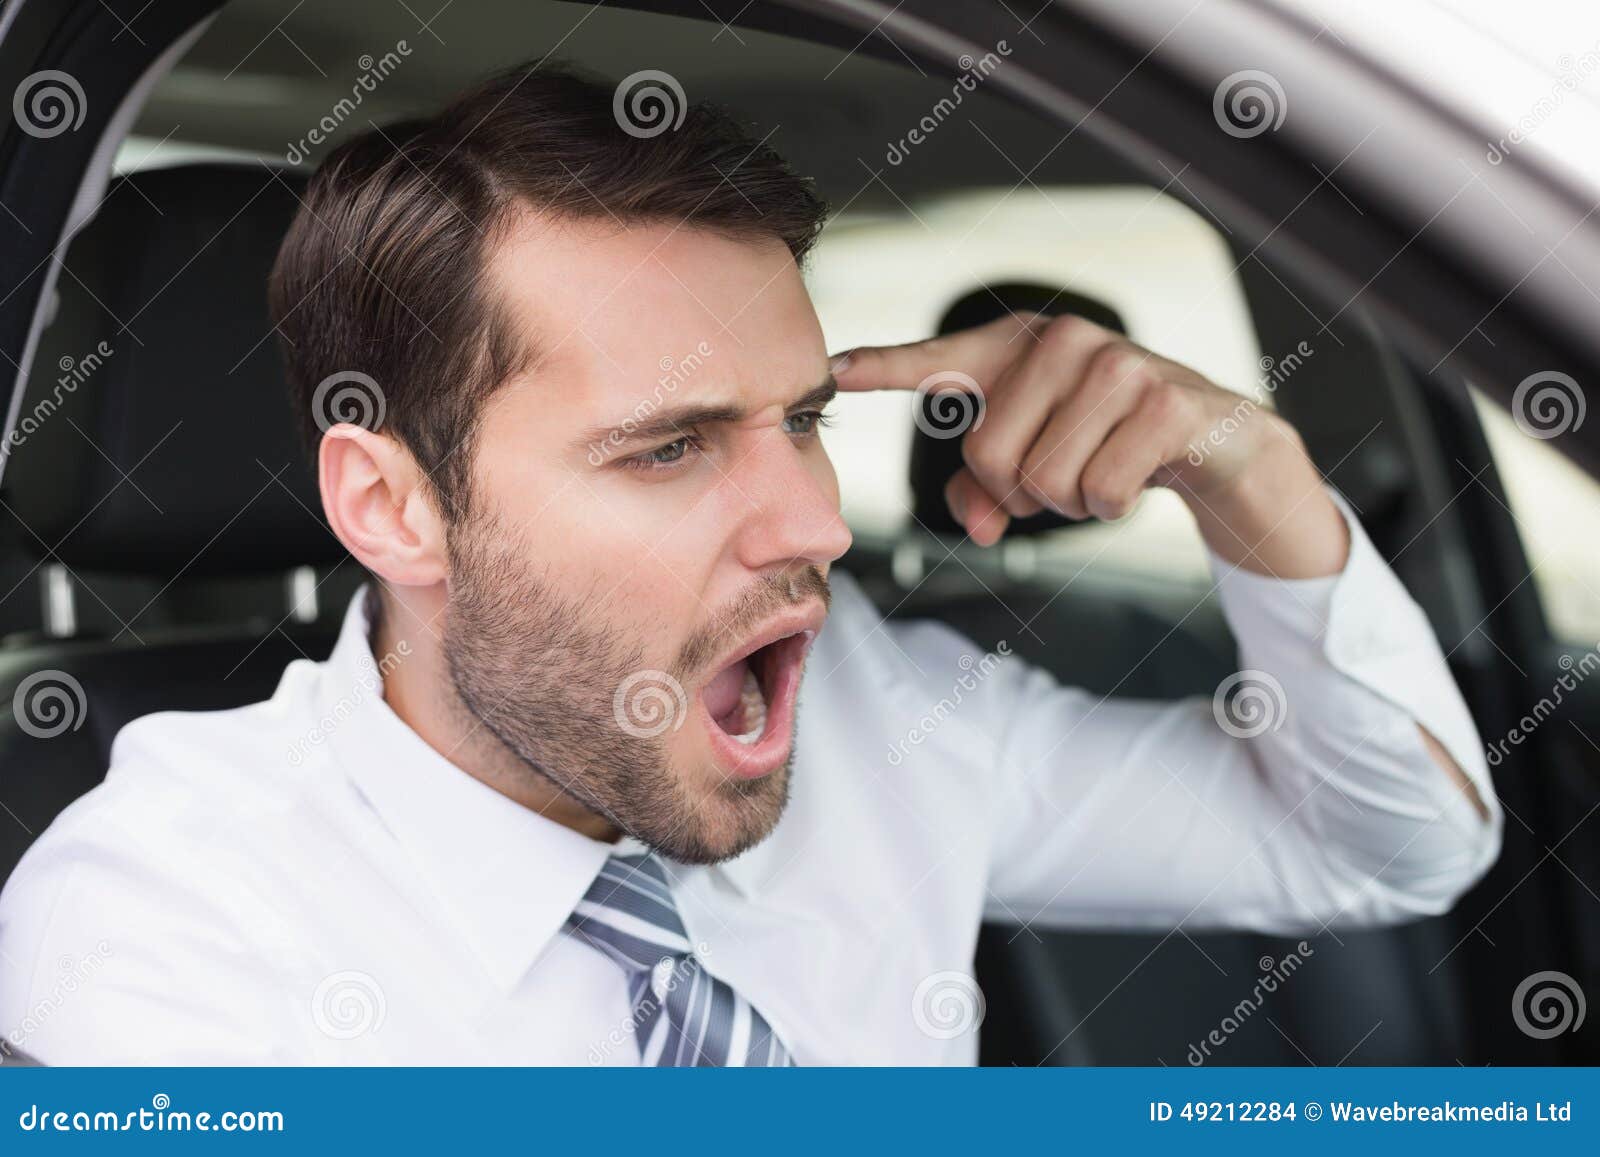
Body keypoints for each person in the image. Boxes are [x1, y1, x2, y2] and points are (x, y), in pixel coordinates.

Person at [0, 63, 1500, 1065]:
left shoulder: (882, 719)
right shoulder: (172, 925)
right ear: (395, 508)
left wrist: (1249, 475)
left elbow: (1388, 845)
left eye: (804, 419)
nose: (819, 526)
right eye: (670, 446)